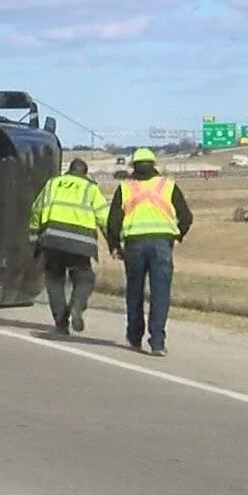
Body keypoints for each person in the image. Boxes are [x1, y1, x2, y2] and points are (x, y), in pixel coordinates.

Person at [106, 147, 194, 355]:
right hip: (162, 245)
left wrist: (115, 245)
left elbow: (113, 222)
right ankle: (157, 342)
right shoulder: (168, 185)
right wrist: (176, 235)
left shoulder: (125, 187)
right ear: (153, 165)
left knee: (134, 293)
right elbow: (187, 217)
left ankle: (134, 337)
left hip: (134, 246)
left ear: (133, 166)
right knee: (160, 294)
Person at [27, 157, 110, 335]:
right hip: (81, 243)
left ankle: (61, 323)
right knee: (84, 278)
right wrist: (113, 241)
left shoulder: (53, 184)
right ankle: (77, 307)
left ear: (69, 170)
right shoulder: (91, 188)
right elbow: (104, 217)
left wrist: (34, 236)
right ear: (84, 173)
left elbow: (36, 210)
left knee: (54, 280)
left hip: (52, 239)